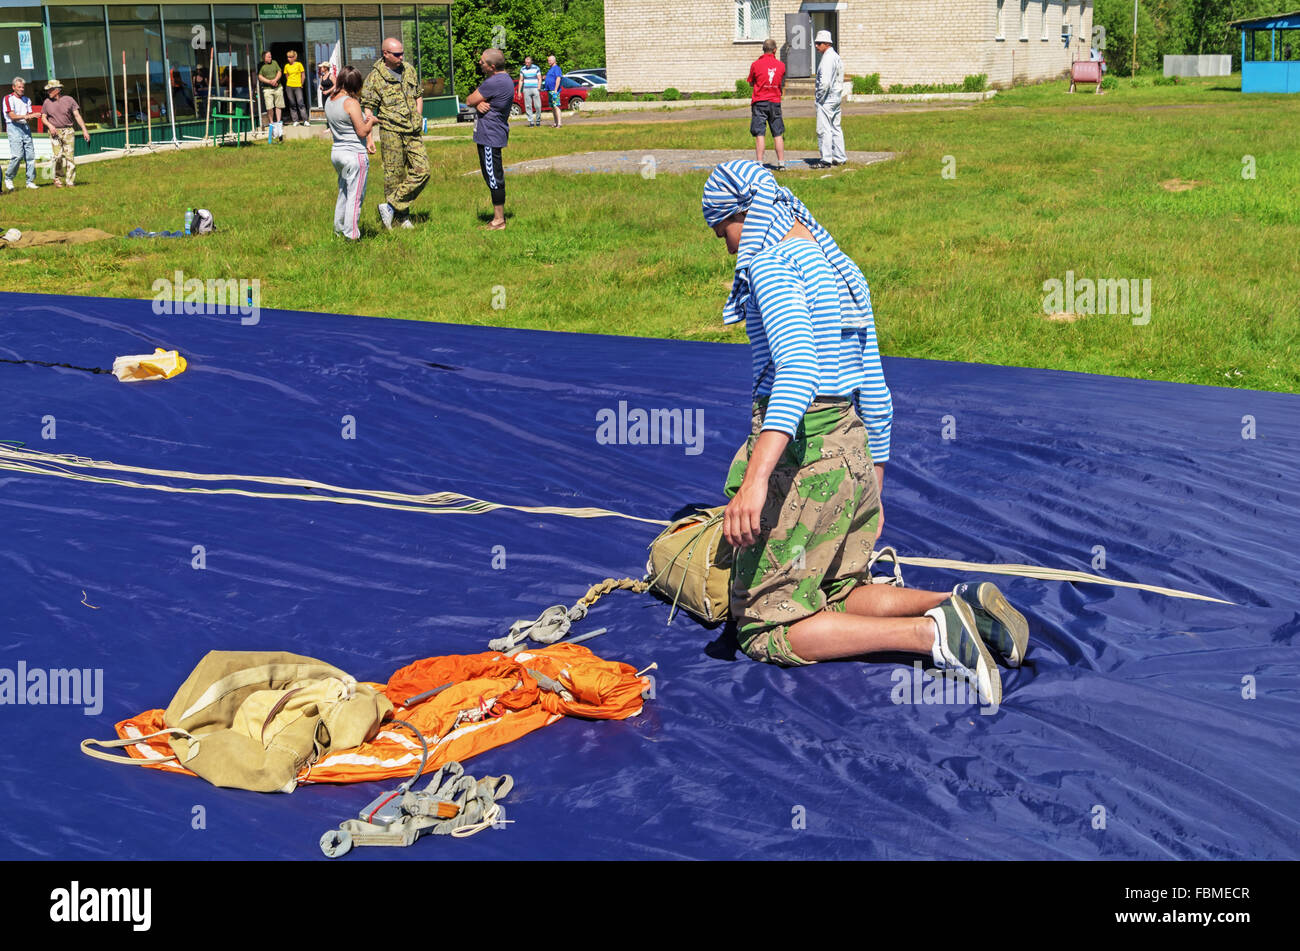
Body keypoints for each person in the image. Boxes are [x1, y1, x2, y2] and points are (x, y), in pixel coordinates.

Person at [702, 160, 1027, 706]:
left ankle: (931, 635)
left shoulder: (773, 264)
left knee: (764, 626)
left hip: (805, 458)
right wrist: (871, 479)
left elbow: (799, 367)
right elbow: (875, 387)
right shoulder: (838, 264)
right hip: (851, 449)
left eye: (722, 233)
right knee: (837, 588)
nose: (728, 250)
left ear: (742, 214)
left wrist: (758, 479)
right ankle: (956, 603)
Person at [359, 38, 429, 230]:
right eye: (397, 54)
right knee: (394, 175)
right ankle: (400, 218)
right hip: (390, 130)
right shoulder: (375, 77)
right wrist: (369, 137)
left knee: (423, 171)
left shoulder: (409, 70)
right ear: (386, 54)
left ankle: (390, 206)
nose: (401, 57)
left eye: (402, 53)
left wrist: (418, 115)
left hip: (412, 130)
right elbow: (368, 109)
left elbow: (418, 95)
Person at [326, 66, 377, 241]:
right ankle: (352, 235)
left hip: (338, 154)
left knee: (344, 192)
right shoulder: (351, 103)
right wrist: (372, 122)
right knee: (355, 197)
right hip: (354, 156)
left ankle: (338, 230)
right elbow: (362, 131)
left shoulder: (330, 100)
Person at [466, 48, 514, 230]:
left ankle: (498, 220)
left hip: (490, 137)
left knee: (493, 177)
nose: (480, 63)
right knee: (493, 175)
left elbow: (469, 100)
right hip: (495, 134)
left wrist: (476, 102)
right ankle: (498, 218)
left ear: (492, 67)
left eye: (483, 62)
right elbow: (476, 101)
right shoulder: (506, 79)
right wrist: (480, 103)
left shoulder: (493, 82)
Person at [40, 80, 90, 188]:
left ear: (57, 90)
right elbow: (43, 118)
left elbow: (77, 116)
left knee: (69, 157)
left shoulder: (69, 100)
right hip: (54, 132)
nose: (48, 92)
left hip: (68, 132)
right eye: (48, 90)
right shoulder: (46, 102)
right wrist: (50, 126)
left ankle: (70, 182)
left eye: (50, 90)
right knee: (57, 157)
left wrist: (84, 130)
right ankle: (57, 177)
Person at [747, 38, 786, 170]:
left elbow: (751, 82)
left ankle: (759, 163)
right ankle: (781, 163)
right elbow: (781, 81)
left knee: (760, 133)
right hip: (775, 102)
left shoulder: (755, 64)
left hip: (760, 102)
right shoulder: (781, 65)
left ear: (763, 49)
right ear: (775, 50)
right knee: (778, 133)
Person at [812, 30, 845, 167]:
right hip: (836, 96)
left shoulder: (827, 58)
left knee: (824, 128)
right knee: (835, 127)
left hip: (827, 98)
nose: (816, 46)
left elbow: (824, 82)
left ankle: (826, 159)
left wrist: (819, 98)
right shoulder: (835, 56)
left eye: (819, 43)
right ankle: (840, 156)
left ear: (826, 43)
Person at [4, 77, 38, 191]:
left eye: (23, 87)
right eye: (19, 87)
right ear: (13, 87)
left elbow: (29, 115)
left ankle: (30, 181)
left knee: (30, 155)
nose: (22, 89)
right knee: (17, 155)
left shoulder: (27, 100)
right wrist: (27, 116)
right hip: (13, 127)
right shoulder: (8, 98)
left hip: (25, 127)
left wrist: (32, 117)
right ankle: (8, 177)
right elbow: (12, 116)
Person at [258, 50, 283, 136]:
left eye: (271, 56)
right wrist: (269, 82)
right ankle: (272, 123)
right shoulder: (261, 65)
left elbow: (279, 72)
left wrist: (275, 80)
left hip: (277, 87)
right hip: (267, 88)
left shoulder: (274, 62)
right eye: (268, 57)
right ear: (264, 58)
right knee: (269, 106)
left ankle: (279, 122)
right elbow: (260, 77)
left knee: (278, 105)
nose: (270, 58)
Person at [283, 49, 307, 125]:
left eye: (290, 57)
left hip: (298, 86)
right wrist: (290, 83)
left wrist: (301, 84)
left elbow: (303, 75)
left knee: (300, 102)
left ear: (294, 57)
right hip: (289, 86)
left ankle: (305, 120)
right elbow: (287, 76)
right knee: (292, 103)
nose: (288, 59)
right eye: (288, 57)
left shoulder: (299, 64)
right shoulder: (286, 66)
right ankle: (295, 120)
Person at [518, 55, 542, 127]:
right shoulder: (523, 69)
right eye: (526, 62)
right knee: (528, 106)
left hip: (535, 88)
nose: (527, 64)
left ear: (531, 62)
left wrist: (538, 87)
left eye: (528, 62)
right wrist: (519, 91)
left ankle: (538, 121)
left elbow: (539, 78)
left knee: (538, 106)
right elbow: (521, 80)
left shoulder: (536, 68)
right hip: (526, 88)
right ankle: (531, 121)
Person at [544, 54, 563, 128]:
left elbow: (558, 78)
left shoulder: (556, 68)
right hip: (549, 90)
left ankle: (559, 123)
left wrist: (555, 89)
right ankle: (555, 123)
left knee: (556, 106)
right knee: (552, 107)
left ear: (554, 60)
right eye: (548, 60)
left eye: (550, 60)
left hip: (554, 91)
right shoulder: (550, 69)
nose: (548, 62)